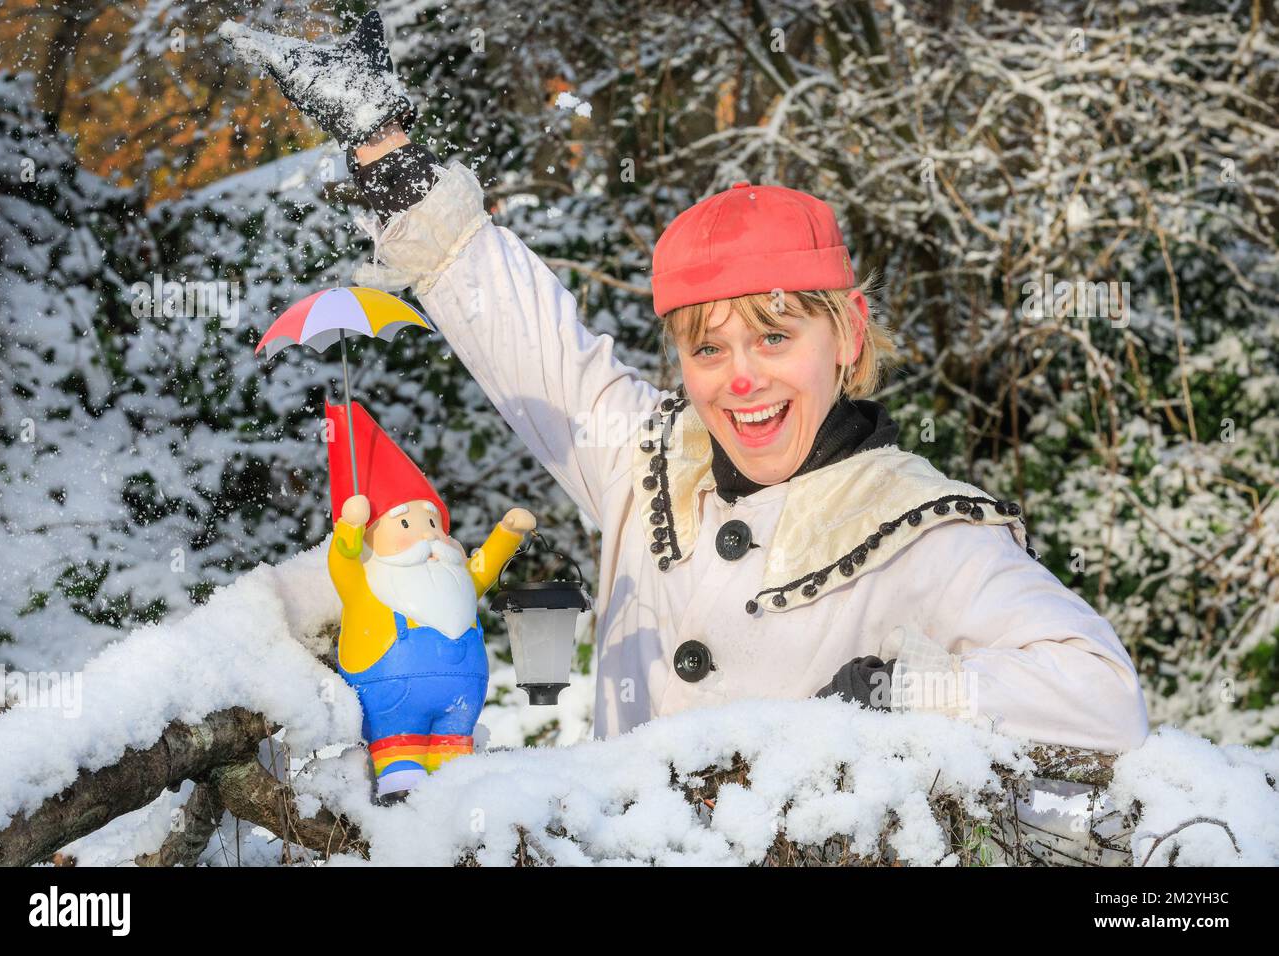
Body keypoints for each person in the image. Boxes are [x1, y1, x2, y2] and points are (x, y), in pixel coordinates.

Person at [221, 12, 1149, 753]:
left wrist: (898, 692)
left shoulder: (916, 525)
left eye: (775, 336)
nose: (740, 381)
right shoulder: (648, 462)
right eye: (708, 350)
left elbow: (1101, 695)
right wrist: (386, 146)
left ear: (847, 334)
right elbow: (503, 315)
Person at [324, 400, 535, 799]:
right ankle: (400, 782)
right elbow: (341, 561)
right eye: (407, 523)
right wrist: (349, 529)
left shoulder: (453, 577)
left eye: (434, 521)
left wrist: (506, 534)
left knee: (455, 770)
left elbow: (482, 570)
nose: (429, 535)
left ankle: (453, 781)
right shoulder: (369, 581)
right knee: (403, 768)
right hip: (392, 703)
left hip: (460, 704)